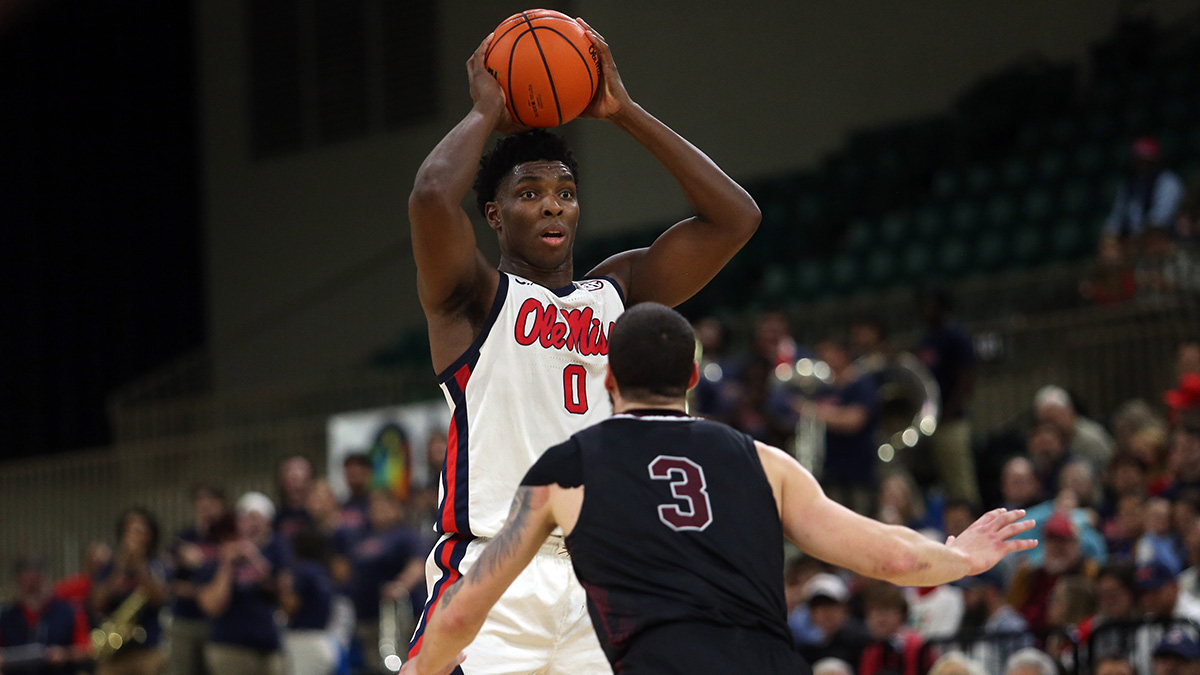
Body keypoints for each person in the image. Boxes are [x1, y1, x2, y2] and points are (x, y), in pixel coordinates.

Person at [401, 303, 1037, 675]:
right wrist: (962, 555)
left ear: (607, 381)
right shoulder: (764, 462)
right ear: (691, 378)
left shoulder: (567, 468)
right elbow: (891, 557)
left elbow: (463, 610)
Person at [405, 14, 761, 672]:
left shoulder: (616, 290)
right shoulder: (472, 299)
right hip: (493, 569)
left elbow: (736, 218)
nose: (552, 206)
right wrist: (487, 107)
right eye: (531, 192)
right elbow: (431, 195)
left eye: (566, 193)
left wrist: (623, 112)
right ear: (494, 214)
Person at [196, 492, 290, 675]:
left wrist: (255, 559)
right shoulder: (212, 564)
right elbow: (212, 606)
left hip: (269, 647)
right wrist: (226, 566)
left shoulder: (271, 554)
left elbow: (283, 594)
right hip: (230, 649)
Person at [915, 287, 980, 506]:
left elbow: (966, 381)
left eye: (929, 303)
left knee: (961, 485)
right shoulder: (926, 339)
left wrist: (947, 414)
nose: (925, 309)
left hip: (951, 422)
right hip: (931, 422)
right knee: (939, 486)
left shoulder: (956, 336)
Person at [804, 335, 881, 514]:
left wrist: (811, 412)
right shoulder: (823, 387)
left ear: (843, 354)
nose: (823, 357)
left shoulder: (862, 384)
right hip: (831, 468)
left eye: (828, 351)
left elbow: (854, 421)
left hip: (859, 469)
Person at [90, 507, 169, 675]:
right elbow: (97, 603)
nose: (134, 537)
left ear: (150, 536)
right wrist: (119, 570)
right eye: (130, 531)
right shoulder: (111, 566)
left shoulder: (156, 565)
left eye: (140, 532)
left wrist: (140, 565)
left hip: (148, 652)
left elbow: (159, 598)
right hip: (114, 654)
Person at [166, 484, 228, 675]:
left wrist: (199, 567)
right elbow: (169, 581)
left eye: (211, 499)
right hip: (185, 620)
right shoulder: (184, 537)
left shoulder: (227, 539)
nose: (206, 505)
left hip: (219, 621)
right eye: (201, 499)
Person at [0, 555, 91, 675]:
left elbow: (87, 650)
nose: (32, 590)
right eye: (27, 585)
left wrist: (64, 654)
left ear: (47, 581)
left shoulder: (68, 612)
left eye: (36, 584)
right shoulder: (7, 618)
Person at [1102, 136, 1185, 243]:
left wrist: (1133, 241)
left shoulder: (1169, 183)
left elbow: (1159, 222)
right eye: (1139, 161)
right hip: (1134, 241)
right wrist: (1109, 237)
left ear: (1156, 161)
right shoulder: (1129, 184)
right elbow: (1115, 220)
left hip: (1166, 240)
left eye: (1147, 162)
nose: (1142, 166)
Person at [1033, 385, 1115, 473]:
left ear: (1069, 411)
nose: (1050, 426)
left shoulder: (1090, 439)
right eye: (1045, 421)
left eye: (1053, 419)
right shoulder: (1041, 442)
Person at [340, 453, 373, 533]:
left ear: (367, 473)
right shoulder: (342, 507)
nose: (353, 478)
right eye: (349, 473)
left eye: (356, 473)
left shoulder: (377, 505)